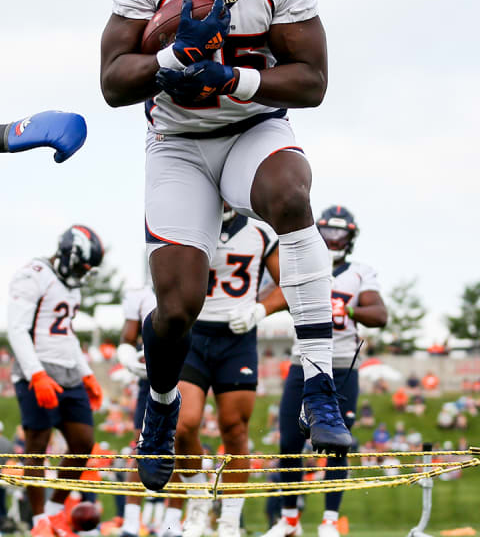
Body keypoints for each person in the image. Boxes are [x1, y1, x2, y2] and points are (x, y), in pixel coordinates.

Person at [99, 0, 349, 492]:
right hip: (178, 143)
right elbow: (112, 82)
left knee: (293, 196)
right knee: (177, 306)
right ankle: (156, 409)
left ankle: (320, 384)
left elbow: (314, 81)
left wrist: (230, 79)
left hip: (250, 128)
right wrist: (170, 63)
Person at [260, 206, 387, 537]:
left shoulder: (359, 273)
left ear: (351, 237)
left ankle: (330, 521)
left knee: (337, 444)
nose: (333, 239)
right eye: (327, 232)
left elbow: (380, 314)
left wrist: (350, 308)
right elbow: (270, 295)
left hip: (343, 365)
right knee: (289, 442)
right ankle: (289, 520)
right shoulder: (302, 265)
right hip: (301, 362)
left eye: (339, 233)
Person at [155, 206, 279, 537]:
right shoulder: (187, 223)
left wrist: (261, 309)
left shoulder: (261, 232)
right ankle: (197, 501)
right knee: (183, 425)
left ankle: (229, 520)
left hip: (236, 340)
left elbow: (289, 284)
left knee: (235, 430)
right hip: (193, 335)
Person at [6, 226, 105, 537]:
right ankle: (39, 523)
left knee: (83, 443)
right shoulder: (33, 274)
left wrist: (86, 371)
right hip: (37, 369)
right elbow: (17, 330)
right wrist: (36, 374)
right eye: (79, 266)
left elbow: (67, 334)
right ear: (66, 254)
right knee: (37, 445)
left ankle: (52, 511)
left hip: (68, 372)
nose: (79, 274)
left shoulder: (70, 286)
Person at [114, 283, 157, 537]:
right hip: (148, 376)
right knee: (139, 448)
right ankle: (131, 521)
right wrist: (130, 359)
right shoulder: (140, 294)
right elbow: (128, 339)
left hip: (183, 371)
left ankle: (173, 522)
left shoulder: (194, 284)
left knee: (180, 446)